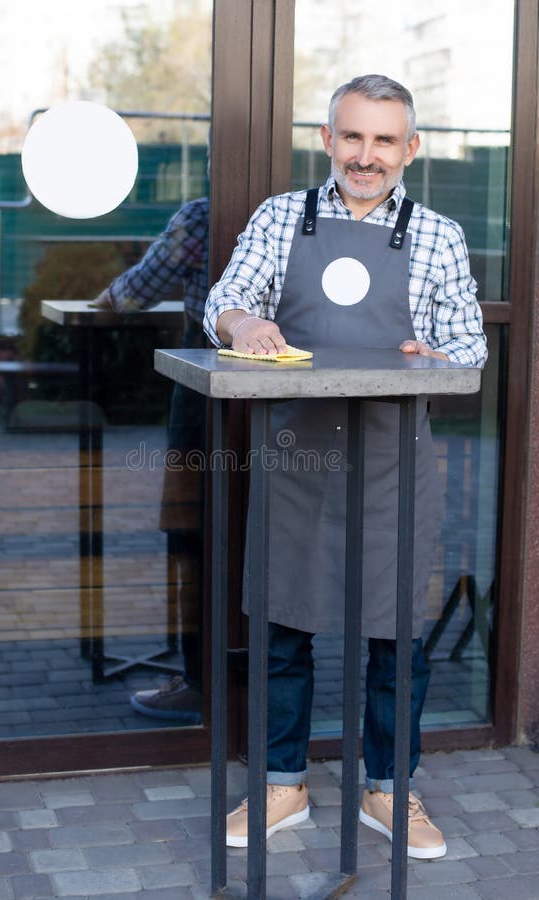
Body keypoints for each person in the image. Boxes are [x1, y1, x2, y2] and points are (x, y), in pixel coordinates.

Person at [203, 74, 487, 858]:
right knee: (281, 630)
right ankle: (280, 786)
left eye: (384, 141)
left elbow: (470, 350)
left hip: (394, 464)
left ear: (410, 150)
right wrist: (243, 319)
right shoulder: (279, 218)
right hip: (295, 456)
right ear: (327, 140)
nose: (367, 156)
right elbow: (222, 301)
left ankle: (389, 792)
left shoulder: (439, 236)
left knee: (397, 638)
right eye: (352, 137)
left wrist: (436, 355)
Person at [96, 193, 209, 724]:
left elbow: (139, 290)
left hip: (203, 381)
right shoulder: (300, 211)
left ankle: (201, 683)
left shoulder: (203, 215)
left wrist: (107, 300)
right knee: (258, 532)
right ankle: (250, 678)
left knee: (191, 531)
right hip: (280, 390)